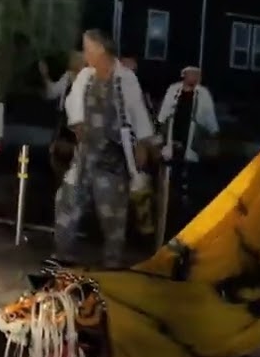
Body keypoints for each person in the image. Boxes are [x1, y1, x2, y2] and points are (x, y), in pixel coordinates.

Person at [56, 30, 158, 267]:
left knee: (112, 212)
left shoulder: (125, 77)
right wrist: (77, 123)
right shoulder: (86, 75)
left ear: (101, 49)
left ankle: (112, 262)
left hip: (111, 156)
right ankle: (63, 256)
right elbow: (73, 101)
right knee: (67, 201)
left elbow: (137, 108)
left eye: (88, 48)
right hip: (85, 154)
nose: (85, 53)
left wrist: (143, 143)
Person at [156, 66, 220, 236]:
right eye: (192, 74)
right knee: (172, 185)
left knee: (190, 185)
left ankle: (186, 224)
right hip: (173, 145)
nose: (195, 77)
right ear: (184, 75)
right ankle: (167, 225)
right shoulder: (173, 90)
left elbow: (210, 120)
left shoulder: (203, 94)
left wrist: (212, 138)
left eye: (198, 74)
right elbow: (163, 117)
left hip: (192, 148)